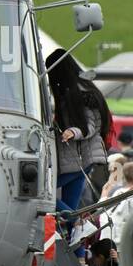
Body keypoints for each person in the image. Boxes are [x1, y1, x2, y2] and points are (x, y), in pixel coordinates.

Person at [46, 49, 112, 212]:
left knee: (44, 194)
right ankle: (72, 230)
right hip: (82, 160)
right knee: (70, 204)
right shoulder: (82, 89)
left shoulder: (78, 93)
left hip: (78, 159)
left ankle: (75, 222)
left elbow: (90, 125)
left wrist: (72, 132)